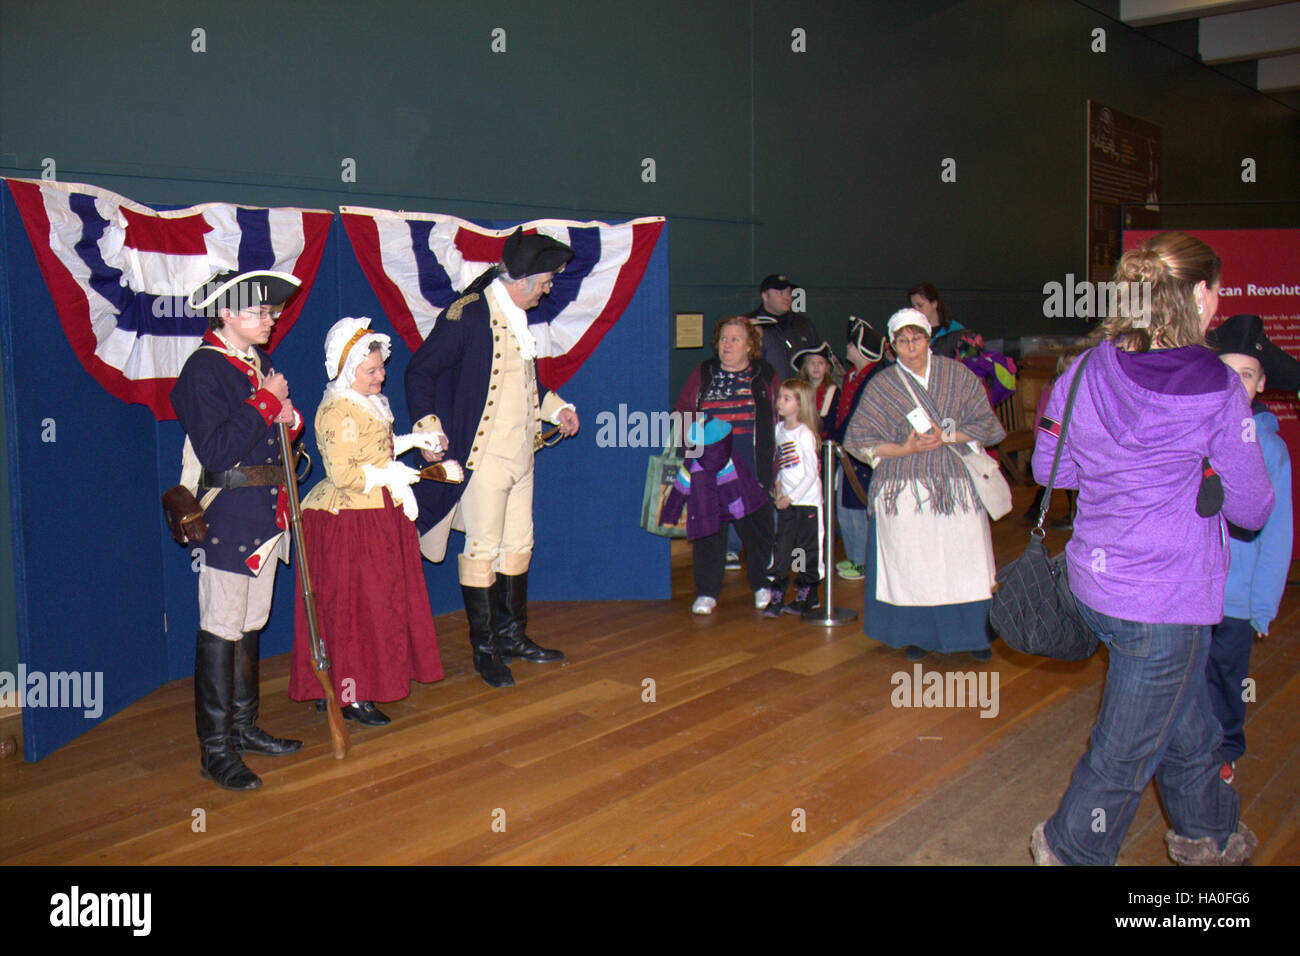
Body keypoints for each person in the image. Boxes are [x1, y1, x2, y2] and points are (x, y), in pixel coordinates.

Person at [1030, 232, 1273, 867]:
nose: (1218, 302)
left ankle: (1213, 839)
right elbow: (1253, 509)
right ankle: (1070, 850)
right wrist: (1204, 474)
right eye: (1216, 289)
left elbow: (1051, 469)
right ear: (1196, 293)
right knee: (1121, 757)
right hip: (1166, 602)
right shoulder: (1218, 387)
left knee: (1189, 730)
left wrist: (1118, 468)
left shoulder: (1082, 368)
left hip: (1093, 584)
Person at [405, 228, 579, 689]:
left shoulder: (517, 318)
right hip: (483, 459)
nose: (548, 289)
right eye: (545, 281)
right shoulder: (467, 315)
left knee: (519, 544)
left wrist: (556, 408)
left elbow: (523, 384)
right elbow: (420, 370)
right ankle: (485, 651)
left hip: (522, 457)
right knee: (482, 549)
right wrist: (428, 429)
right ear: (522, 280)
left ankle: (512, 635)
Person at [170, 269, 306, 791]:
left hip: (265, 511)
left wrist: (286, 418)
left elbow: (265, 441)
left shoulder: (256, 363)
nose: (270, 320)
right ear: (227, 314)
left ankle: (244, 727)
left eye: (272, 312)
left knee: (250, 622)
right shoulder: (203, 370)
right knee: (221, 626)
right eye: (259, 312)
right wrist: (268, 402)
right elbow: (218, 450)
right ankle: (216, 749)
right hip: (228, 515)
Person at [288, 317, 445, 726]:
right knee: (354, 605)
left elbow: (379, 447)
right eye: (371, 370)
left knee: (375, 601)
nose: (381, 375)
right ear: (346, 369)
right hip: (350, 520)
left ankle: (358, 683)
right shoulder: (337, 409)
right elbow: (345, 475)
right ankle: (349, 691)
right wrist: (391, 474)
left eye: (381, 367)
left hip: (378, 514)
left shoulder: (366, 401)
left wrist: (413, 442)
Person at [843, 308, 1006, 662]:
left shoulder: (957, 375)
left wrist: (947, 435)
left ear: (928, 339)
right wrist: (906, 447)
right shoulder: (883, 385)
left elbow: (987, 424)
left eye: (917, 338)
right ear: (892, 346)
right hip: (904, 483)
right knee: (914, 562)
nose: (911, 346)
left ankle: (973, 634)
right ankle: (920, 633)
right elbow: (859, 440)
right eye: (903, 341)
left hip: (955, 483)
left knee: (966, 561)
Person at [1203, 314, 1296, 787]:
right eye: (1225, 371)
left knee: (1227, 677)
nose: (1234, 383)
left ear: (1260, 384)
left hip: (1236, 599)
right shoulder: (1194, 435)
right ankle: (1183, 749)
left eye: (1246, 374)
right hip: (1188, 590)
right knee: (1182, 677)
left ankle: (1226, 749)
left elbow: (1277, 536)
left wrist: (1262, 606)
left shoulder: (1271, 451)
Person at [675, 315, 779, 611]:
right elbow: (683, 410)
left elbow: (779, 417)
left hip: (750, 464)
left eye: (735, 339)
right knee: (709, 531)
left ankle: (762, 584)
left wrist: (778, 468)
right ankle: (707, 592)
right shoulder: (703, 372)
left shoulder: (766, 375)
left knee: (758, 531)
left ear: (750, 346)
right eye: (723, 339)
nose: (727, 345)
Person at [658, 415, 774, 615]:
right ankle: (707, 592)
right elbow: (680, 488)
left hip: (738, 502)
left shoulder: (734, 460)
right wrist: (669, 515)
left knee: (755, 534)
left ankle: (762, 585)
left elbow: (750, 492)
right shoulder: (693, 463)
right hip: (707, 506)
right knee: (707, 542)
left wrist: (759, 505)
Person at [829, 316, 887, 581]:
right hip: (846, 450)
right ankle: (855, 557)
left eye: (852, 344)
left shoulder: (876, 377)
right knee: (845, 505)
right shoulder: (853, 375)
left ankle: (863, 561)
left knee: (858, 507)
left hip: (862, 452)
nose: (848, 348)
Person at [763, 378, 824, 617]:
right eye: (780, 397)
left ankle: (807, 592)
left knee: (806, 549)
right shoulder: (779, 430)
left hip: (806, 502)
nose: (780, 402)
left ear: (800, 404)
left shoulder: (804, 434)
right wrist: (779, 487)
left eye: (787, 399)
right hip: (786, 500)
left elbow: (810, 473)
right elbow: (782, 464)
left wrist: (793, 496)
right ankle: (777, 592)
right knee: (782, 547)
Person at [747, 274, 821, 379]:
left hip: (800, 392)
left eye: (789, 292)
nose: (787, 297)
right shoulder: (749, 325)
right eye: (780, 292)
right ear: (765, 296)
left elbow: (818, 359)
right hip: (765, 392)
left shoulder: (804, 325)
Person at [791, 341, 840, 438]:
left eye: (820, 363)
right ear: (805, 367)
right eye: (812, 363)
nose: (816, 367)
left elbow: (832, 424)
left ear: (827, 367)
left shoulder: (833, 392)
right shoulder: (798, 391)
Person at [907, 281, 967, 360]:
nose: (916, 310)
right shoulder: (908, 335)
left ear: (934, 304)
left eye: (920, 305)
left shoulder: (958, 335)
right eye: (913, 307)